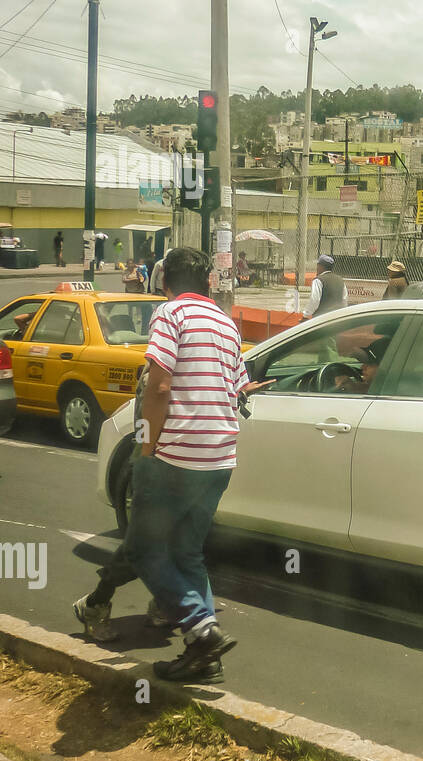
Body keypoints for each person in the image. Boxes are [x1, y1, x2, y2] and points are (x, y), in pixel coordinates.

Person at [74, 247, 274, 682]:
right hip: (220, 457)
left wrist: (147, 447)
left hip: (176, 454)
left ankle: (201, 631)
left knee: (146, 548)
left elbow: (159, 386)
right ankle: (206, 657)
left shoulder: (171, 314)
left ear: (165, 282)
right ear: (207, 283)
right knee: (186, 551)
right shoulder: (225, 321)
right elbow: (238, 388)